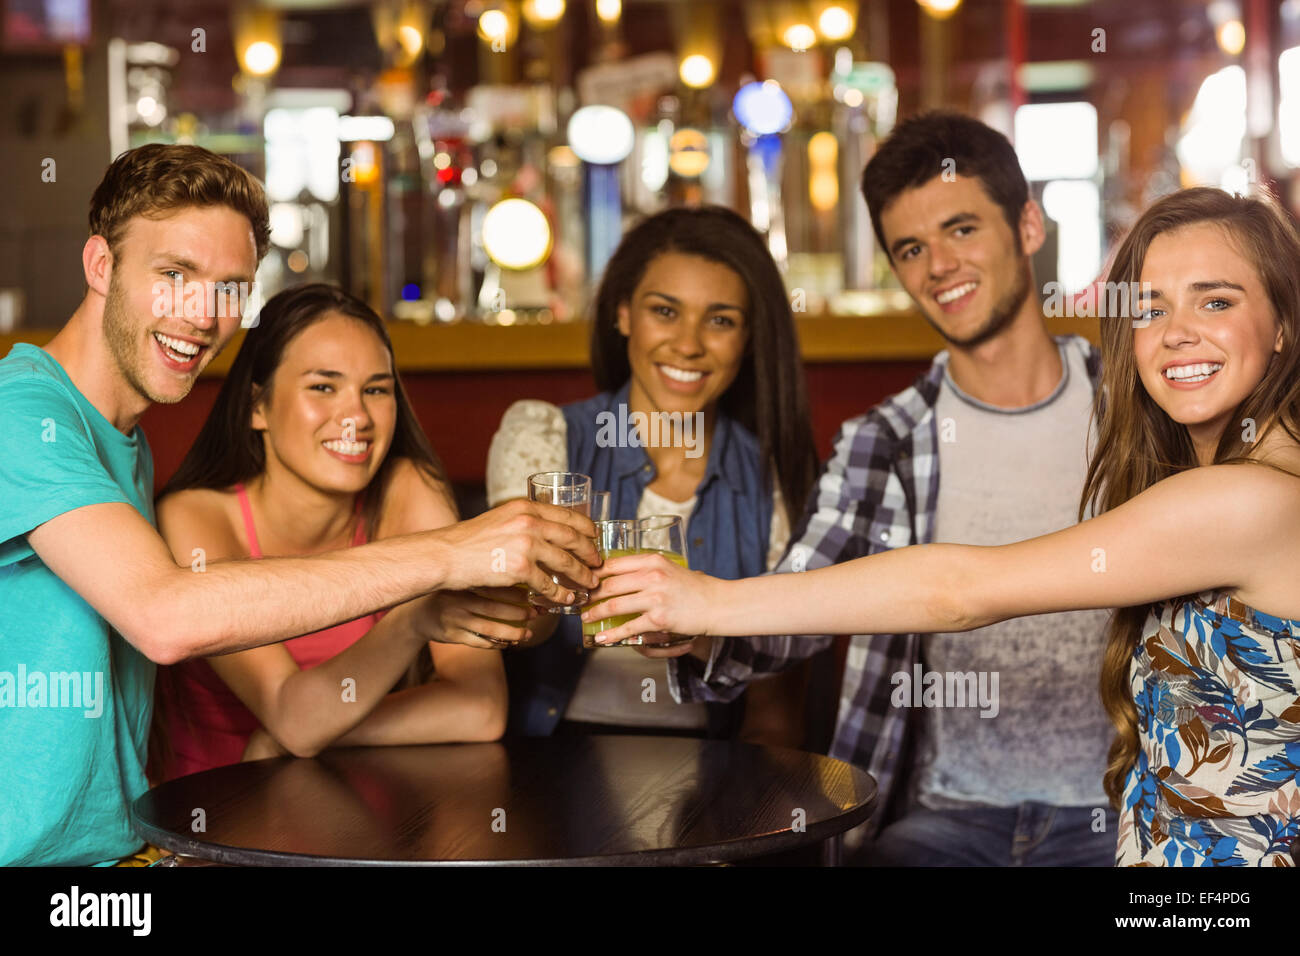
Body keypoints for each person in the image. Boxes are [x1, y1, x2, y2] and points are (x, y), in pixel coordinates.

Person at [591, 185, 1300, 867]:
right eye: (1148, 309)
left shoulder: (1248, 501)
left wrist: (706, 598)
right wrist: (703, 624)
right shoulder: (1215, 480)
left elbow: (959, 590)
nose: (1177, 332)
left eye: (1216, 300)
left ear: (1284, 326)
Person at [0, 144, 598, 867]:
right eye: (174, 275)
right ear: (101, 266)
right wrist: (449, 554)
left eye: (230, 288)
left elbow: (473, 705)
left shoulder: (118, 436)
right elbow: (164, 616)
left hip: (129, 857)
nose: (201, 316)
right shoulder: (23, 417)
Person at [622, 112, 1121, 866]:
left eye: (961, 229)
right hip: (947, 819)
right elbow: (802, 598)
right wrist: (694, 624)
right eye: (911, 248)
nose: (939, 266)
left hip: (1122, 809)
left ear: (1027, 225)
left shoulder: (1136, 410)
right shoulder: (882, 441)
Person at [150, 284, 522, 780]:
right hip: (214, 828)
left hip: (354, 819)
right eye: (323, 387)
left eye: (376, 389)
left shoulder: (405, 490)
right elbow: (293, 715)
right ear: (256, 407)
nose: (357, 418)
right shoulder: (195, 518)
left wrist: (302, 739)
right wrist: (411, 620)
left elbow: (481, 708)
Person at [485, 206, 819, 743]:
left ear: (750, 338)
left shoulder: (774, 476)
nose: (688, 344)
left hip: (713, 766)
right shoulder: (543, 436)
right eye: (665, 311)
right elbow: (523, 622)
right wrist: (542, 592)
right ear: (622, 314)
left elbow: (773, 711)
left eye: (720, 320)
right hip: (549, 756)